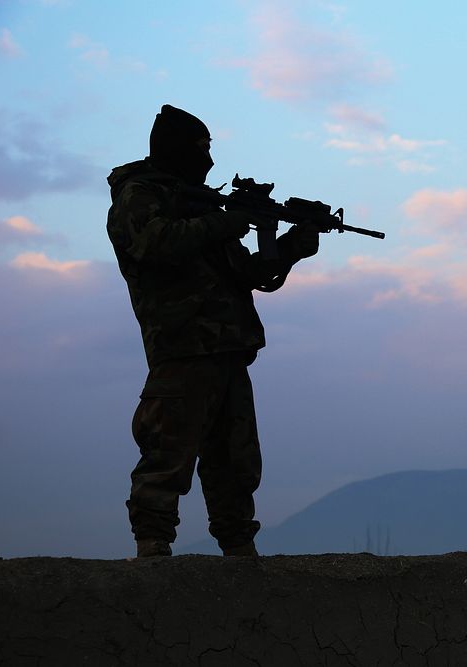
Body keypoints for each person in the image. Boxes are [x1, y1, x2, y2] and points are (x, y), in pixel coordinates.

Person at [106, 104, 319, 558]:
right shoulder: (139, 196)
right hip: (182, 348)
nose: (208, 161)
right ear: (177, 150)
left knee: (236, 463)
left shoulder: (201, 207)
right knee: (167, 455)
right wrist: (231, 220)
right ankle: (152, 552)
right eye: (201, 149)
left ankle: (239, 554)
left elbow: (248, 274)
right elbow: (156, 244)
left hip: (227, 349)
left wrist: (291, 247)